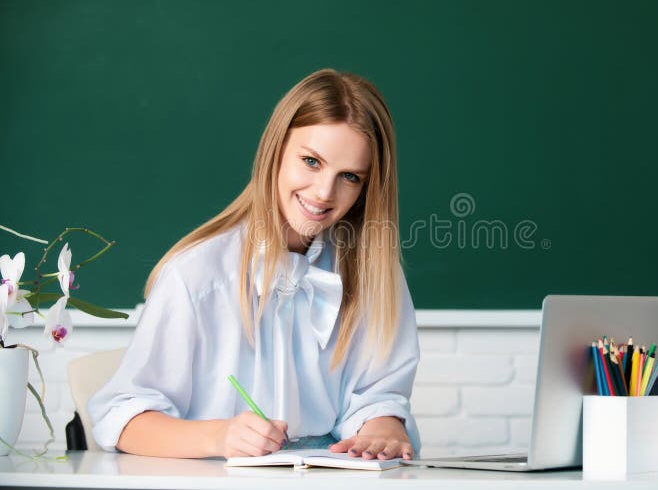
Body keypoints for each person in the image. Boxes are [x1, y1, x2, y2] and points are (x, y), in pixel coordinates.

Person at [88, 69, 420, 460]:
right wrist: (218, 437)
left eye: (349, 176)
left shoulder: (374, 276)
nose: (324, 192)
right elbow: (123, 418)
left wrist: (382, 428)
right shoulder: (197, 276)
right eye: (311, 161)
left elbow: (380, 396)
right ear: (276, 150)